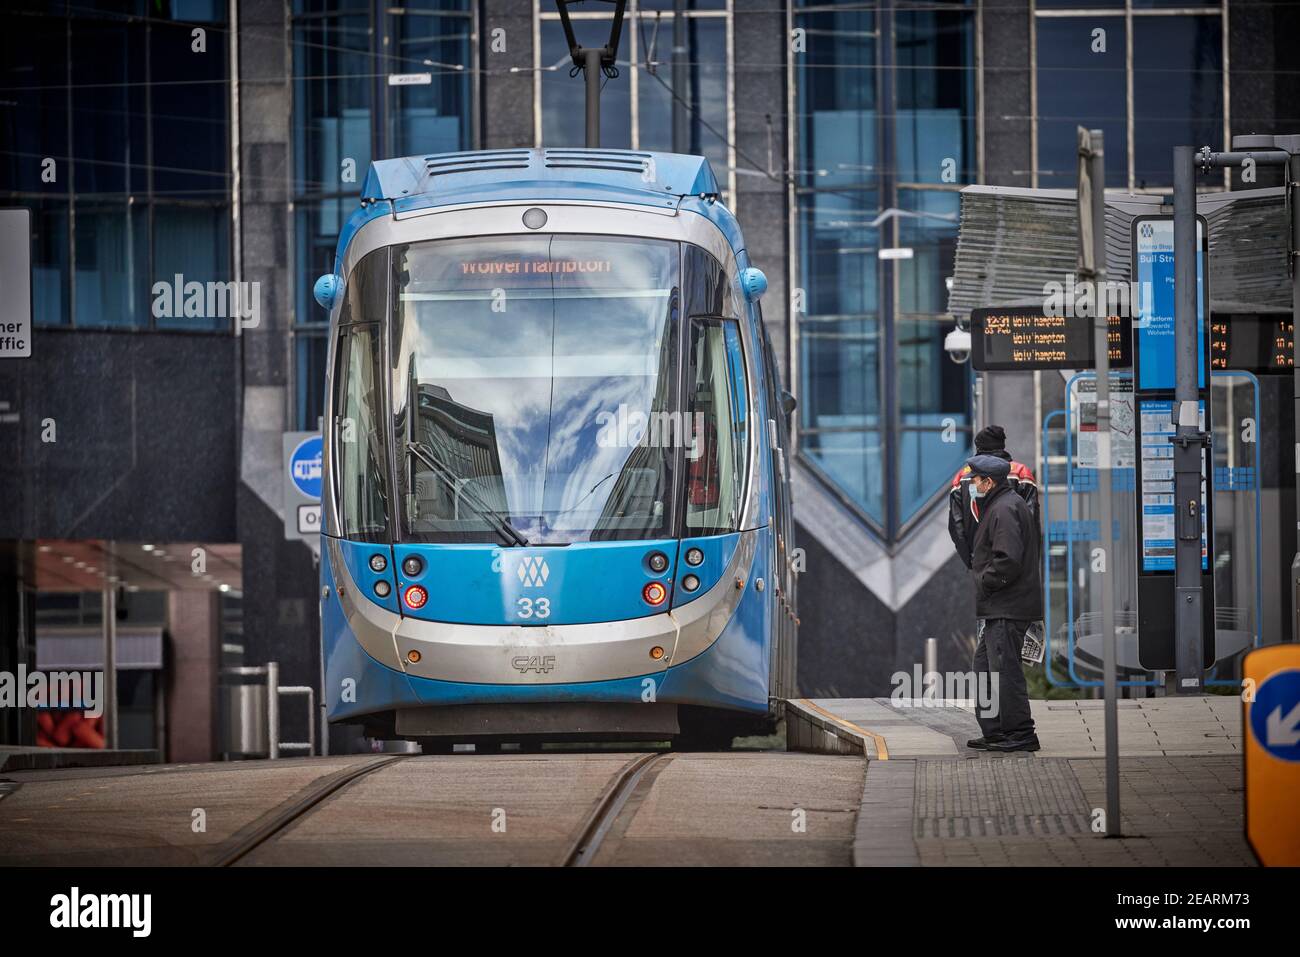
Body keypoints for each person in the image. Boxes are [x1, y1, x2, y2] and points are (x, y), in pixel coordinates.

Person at [963, 454, 1042, 752]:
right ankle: (996, 731)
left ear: (988, 481)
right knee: (984, 666)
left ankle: (1021, 733)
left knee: (1005, 670)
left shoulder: (1005, 508)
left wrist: (986, 582)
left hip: (1008, 606)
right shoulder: (1001, 504)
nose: (972, 484)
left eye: (975, 480)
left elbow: (1007, 559)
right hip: (1001, 607)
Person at [948, 425, 1038, 570]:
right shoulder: (1022, 473)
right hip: (1016, 563)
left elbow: (956, 525)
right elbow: (1030, 522)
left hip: (980, 563)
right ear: (1002, 446)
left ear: (979, 448)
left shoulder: (961, 477)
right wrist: (1027, 561)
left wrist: (971, 561)